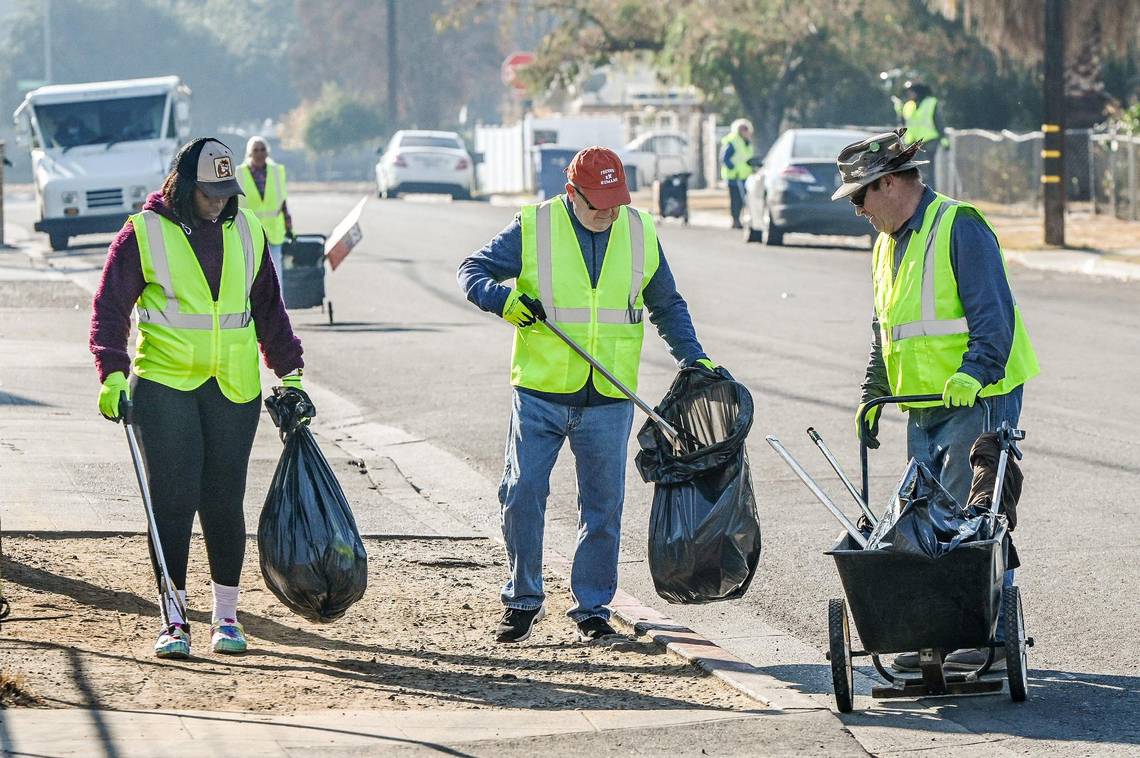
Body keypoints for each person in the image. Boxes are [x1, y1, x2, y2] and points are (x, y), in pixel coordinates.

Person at [457, 146, 719, 644]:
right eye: (598, 203)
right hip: (541, 391)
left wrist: (694, 356)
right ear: (571, 192)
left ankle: (592, 608)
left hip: (610, 396)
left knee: (603, 507)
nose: (609, 212)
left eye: (616, 201)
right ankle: (522, 599)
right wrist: (504, 300)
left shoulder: (640, 231)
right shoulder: (535, 225)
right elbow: (472, 270)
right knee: (523, 494)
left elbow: (666, 303)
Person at [90, 137, 310, 659]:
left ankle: (226, 617)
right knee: (172, 500)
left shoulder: (248, 229)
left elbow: (269, 309)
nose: (219, 201)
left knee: (224, 500)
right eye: (209, 192)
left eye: (226, 192)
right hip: (164, 383)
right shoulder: (143, 232)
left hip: (233, 384)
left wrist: (292, 374)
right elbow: (109, 308)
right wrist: (112, 373)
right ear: (183, 185)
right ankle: (173, 619)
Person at [832, 129, 1038, 673]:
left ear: (890, 183)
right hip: (923, 401)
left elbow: (994, 316)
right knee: (925, 516)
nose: (857, 210)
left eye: (860, 197)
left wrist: (975, 373)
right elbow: (886, 330)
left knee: (977, 515)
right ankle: (936, 632)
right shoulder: (886, 243)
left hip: (980, 394)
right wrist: (874, 392)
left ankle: (989, 636)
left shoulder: (959, 225)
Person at [237, 136, 293, 278]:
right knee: (253, 275)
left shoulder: (277, 171)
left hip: (274, 233)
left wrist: (289, 228)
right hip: (250, 233)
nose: (259, 153)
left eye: (263, 149)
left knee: (275, 275)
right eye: (256, 150)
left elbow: (283, 202)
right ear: (249, 153)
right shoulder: (239, 173)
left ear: (267, 152)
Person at [893, 82, 948, 189]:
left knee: (927, 170)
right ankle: (919, 192)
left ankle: (930, 192)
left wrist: (943, 138)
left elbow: (938, 121)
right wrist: (899, 109)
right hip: (913, 143)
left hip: (929, 141)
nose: (909, 94)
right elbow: (904, 122)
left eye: (911, 92)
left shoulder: (931, 102)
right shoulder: (908, 105)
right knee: (916, 171)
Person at [720, 119, 754, 229]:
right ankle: (735, 220)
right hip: (734, 177)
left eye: (747, 129)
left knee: (744, 199)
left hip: (745, 176)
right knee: (736, 200)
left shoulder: (747, 142)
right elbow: (725, 158)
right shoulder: (733, 141)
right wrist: (733, 168)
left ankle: (743, 219)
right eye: (743, 129)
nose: (746, 131)